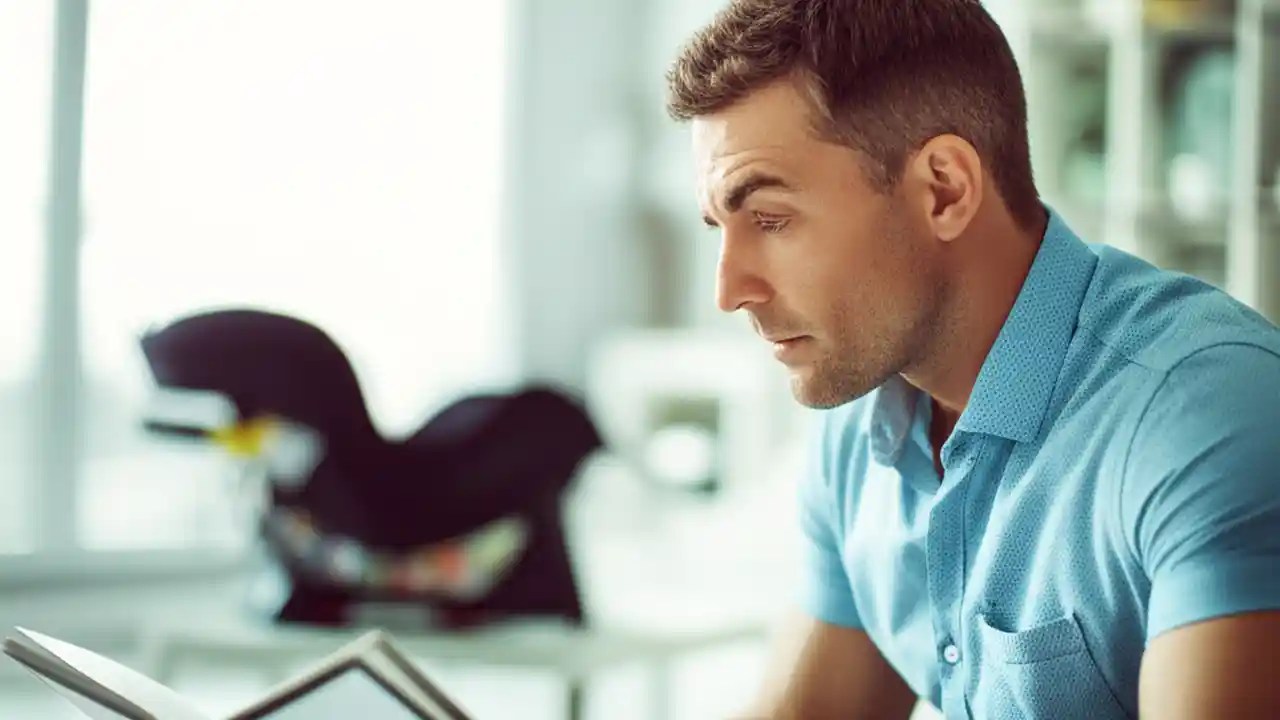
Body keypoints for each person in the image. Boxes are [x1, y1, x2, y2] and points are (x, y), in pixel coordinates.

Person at [665, 1, 1280, 718]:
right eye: (720, 228)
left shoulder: (1204, 416)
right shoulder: (861, 431)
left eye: (770, 220)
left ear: (944, 190)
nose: (728, 291)